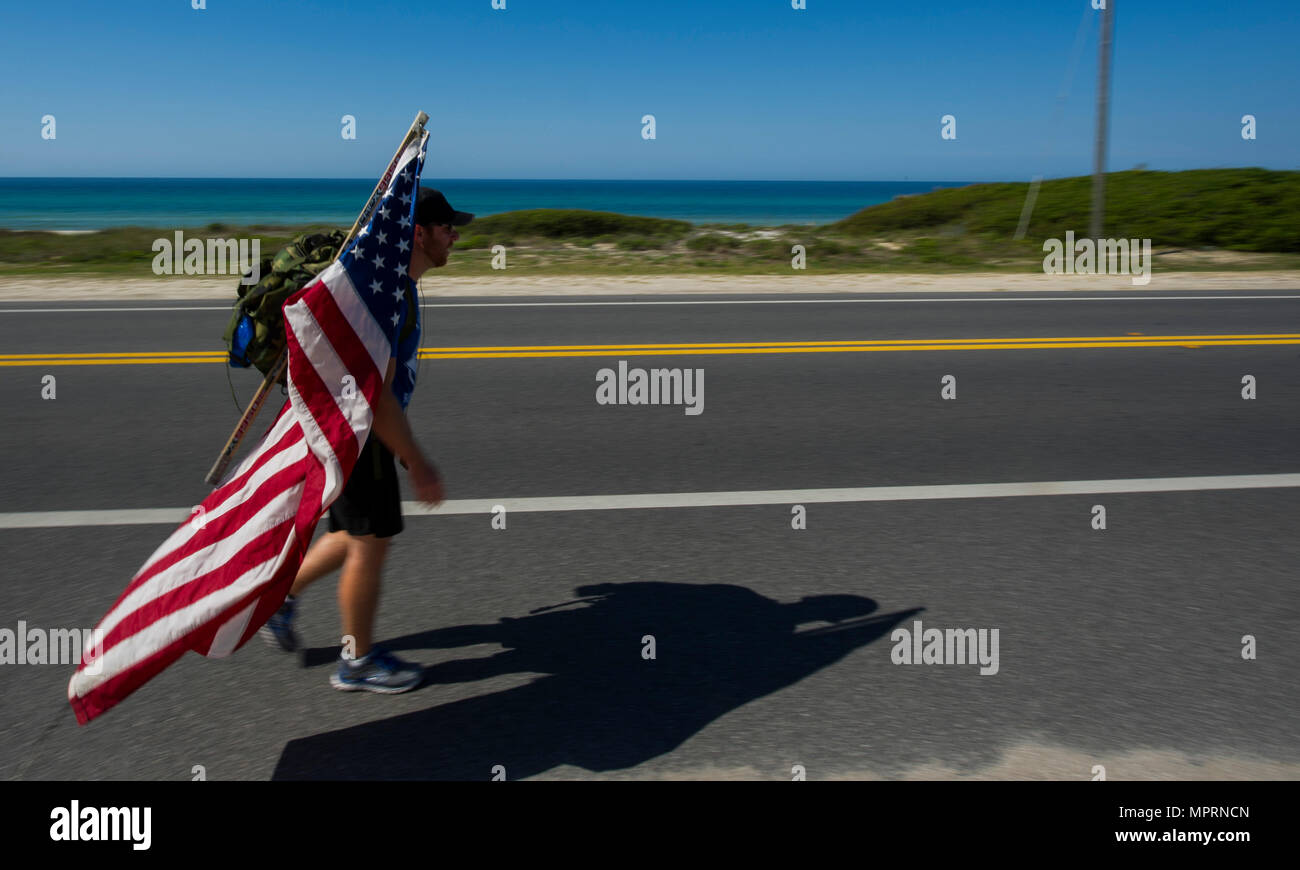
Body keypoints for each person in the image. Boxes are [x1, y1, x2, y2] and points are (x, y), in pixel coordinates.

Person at [260, 188, 473, 694]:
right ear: (417, 233)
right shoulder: (389, 295)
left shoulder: (389, 285)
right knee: (370, 544)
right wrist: (416, 459)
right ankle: (356, 662)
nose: (454, 236)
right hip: (364, 435)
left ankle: (279, 601)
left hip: (347, 430)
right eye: (447, 228)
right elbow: (374, 395)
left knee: (354, 534)